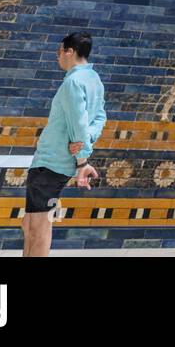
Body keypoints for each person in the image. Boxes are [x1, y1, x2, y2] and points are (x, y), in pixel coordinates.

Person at [23, 32, 105, 257]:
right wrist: (86, 143)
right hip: (53, 163)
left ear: (70, 51)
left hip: (51, 163)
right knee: (30, 223)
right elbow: (100, 118)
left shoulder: (73, 81)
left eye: (59, 52)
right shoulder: (94, 79)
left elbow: (77, 123)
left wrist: (82, 160)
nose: (58, 57)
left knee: (38, 225)